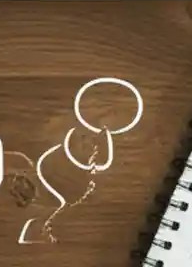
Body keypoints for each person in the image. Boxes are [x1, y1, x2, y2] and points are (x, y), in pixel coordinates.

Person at [14, 77, 144, 244]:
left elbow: (99, 161)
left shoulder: (98, 137)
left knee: (54, 209)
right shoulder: (80, 135)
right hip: (59, 176)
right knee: (52, 207)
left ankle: (42, 225)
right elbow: (79, 153)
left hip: (66, 182)